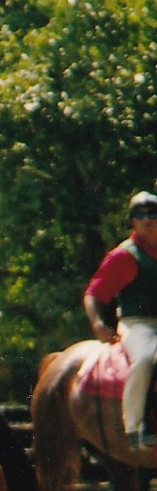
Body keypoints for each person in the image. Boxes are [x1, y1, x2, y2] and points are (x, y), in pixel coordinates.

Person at [84, 190, 157, 450]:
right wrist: (98, 324)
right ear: (132, 221)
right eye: (140, 215)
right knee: (147, 358)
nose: (147, 219)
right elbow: (94, 294)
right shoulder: (123, 256)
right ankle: (137, 425)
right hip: (137, 324)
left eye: (153, 214)